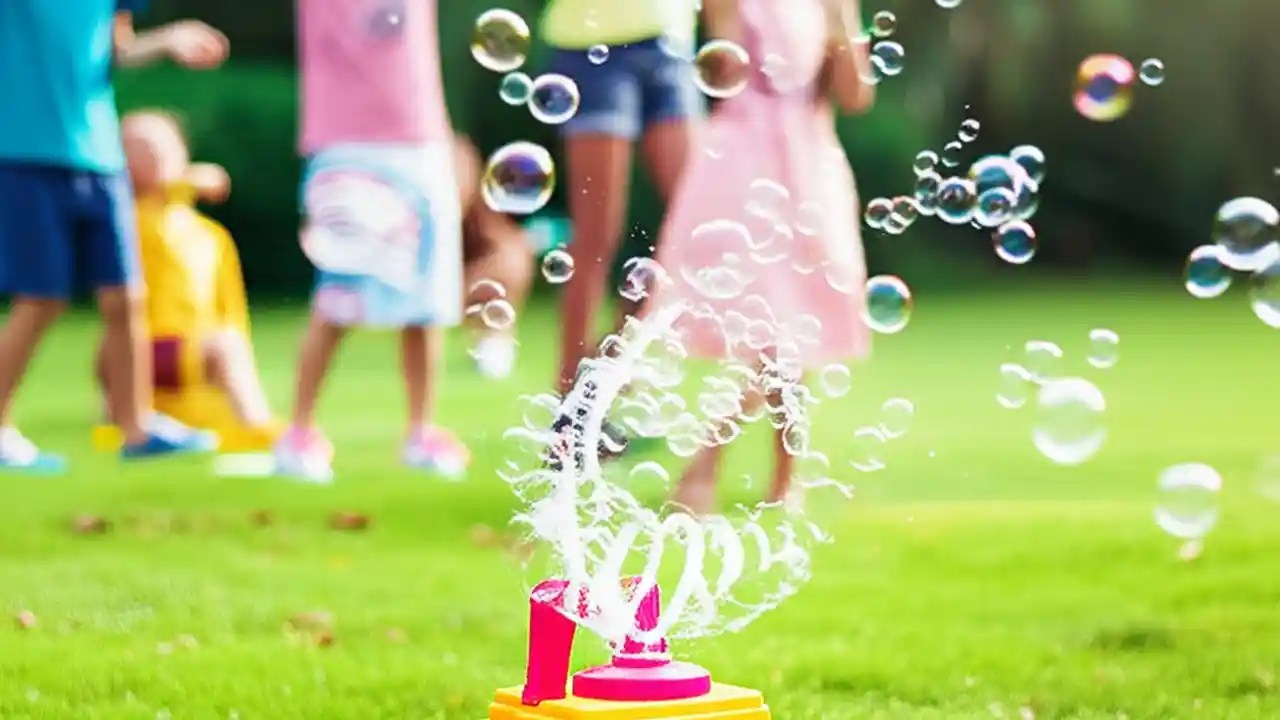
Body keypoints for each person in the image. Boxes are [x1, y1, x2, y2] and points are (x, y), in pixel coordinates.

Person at [650, 0, 876, 513]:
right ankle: (710, 464)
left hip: (810, 162)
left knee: (801, 318)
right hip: (748, 160)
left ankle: (781, 478)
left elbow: (856, 96)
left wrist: (842, 22)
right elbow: (724, 72)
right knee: (777, 328)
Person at [0, 2, 229, 472]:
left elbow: (113, 51)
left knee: (126, 297)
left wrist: (167, 40)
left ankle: (136, 428)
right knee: (41, 298)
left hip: (99, 157)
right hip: (25, 155)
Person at [274, 0, 468, 482]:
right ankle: (298, 433)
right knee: (339, 298)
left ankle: (421, 432)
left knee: (426, 302)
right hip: (348, 145)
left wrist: (447, 144)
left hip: (422, 142)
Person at [541, 0, 702, 395]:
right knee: (596, 235)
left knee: (694, 225)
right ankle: (570, 399)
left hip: (672, 44)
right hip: (590, 43)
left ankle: (611, 359)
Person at [93, 111, 278, 450]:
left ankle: (253, 423)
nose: (152, 156)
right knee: (118, 345)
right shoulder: (123, 220)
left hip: (192, 348)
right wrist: (187, 181)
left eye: (161, 147)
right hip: (142, 348)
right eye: (136, 148)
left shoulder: (210, 235)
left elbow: (230, 310)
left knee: (228, 343)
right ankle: (124, 417)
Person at [453, 135, 533, 380]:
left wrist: (458, 292)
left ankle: (494, 342)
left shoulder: (484, 221)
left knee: (499, 277)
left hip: (472, 269)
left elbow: (511, 258)